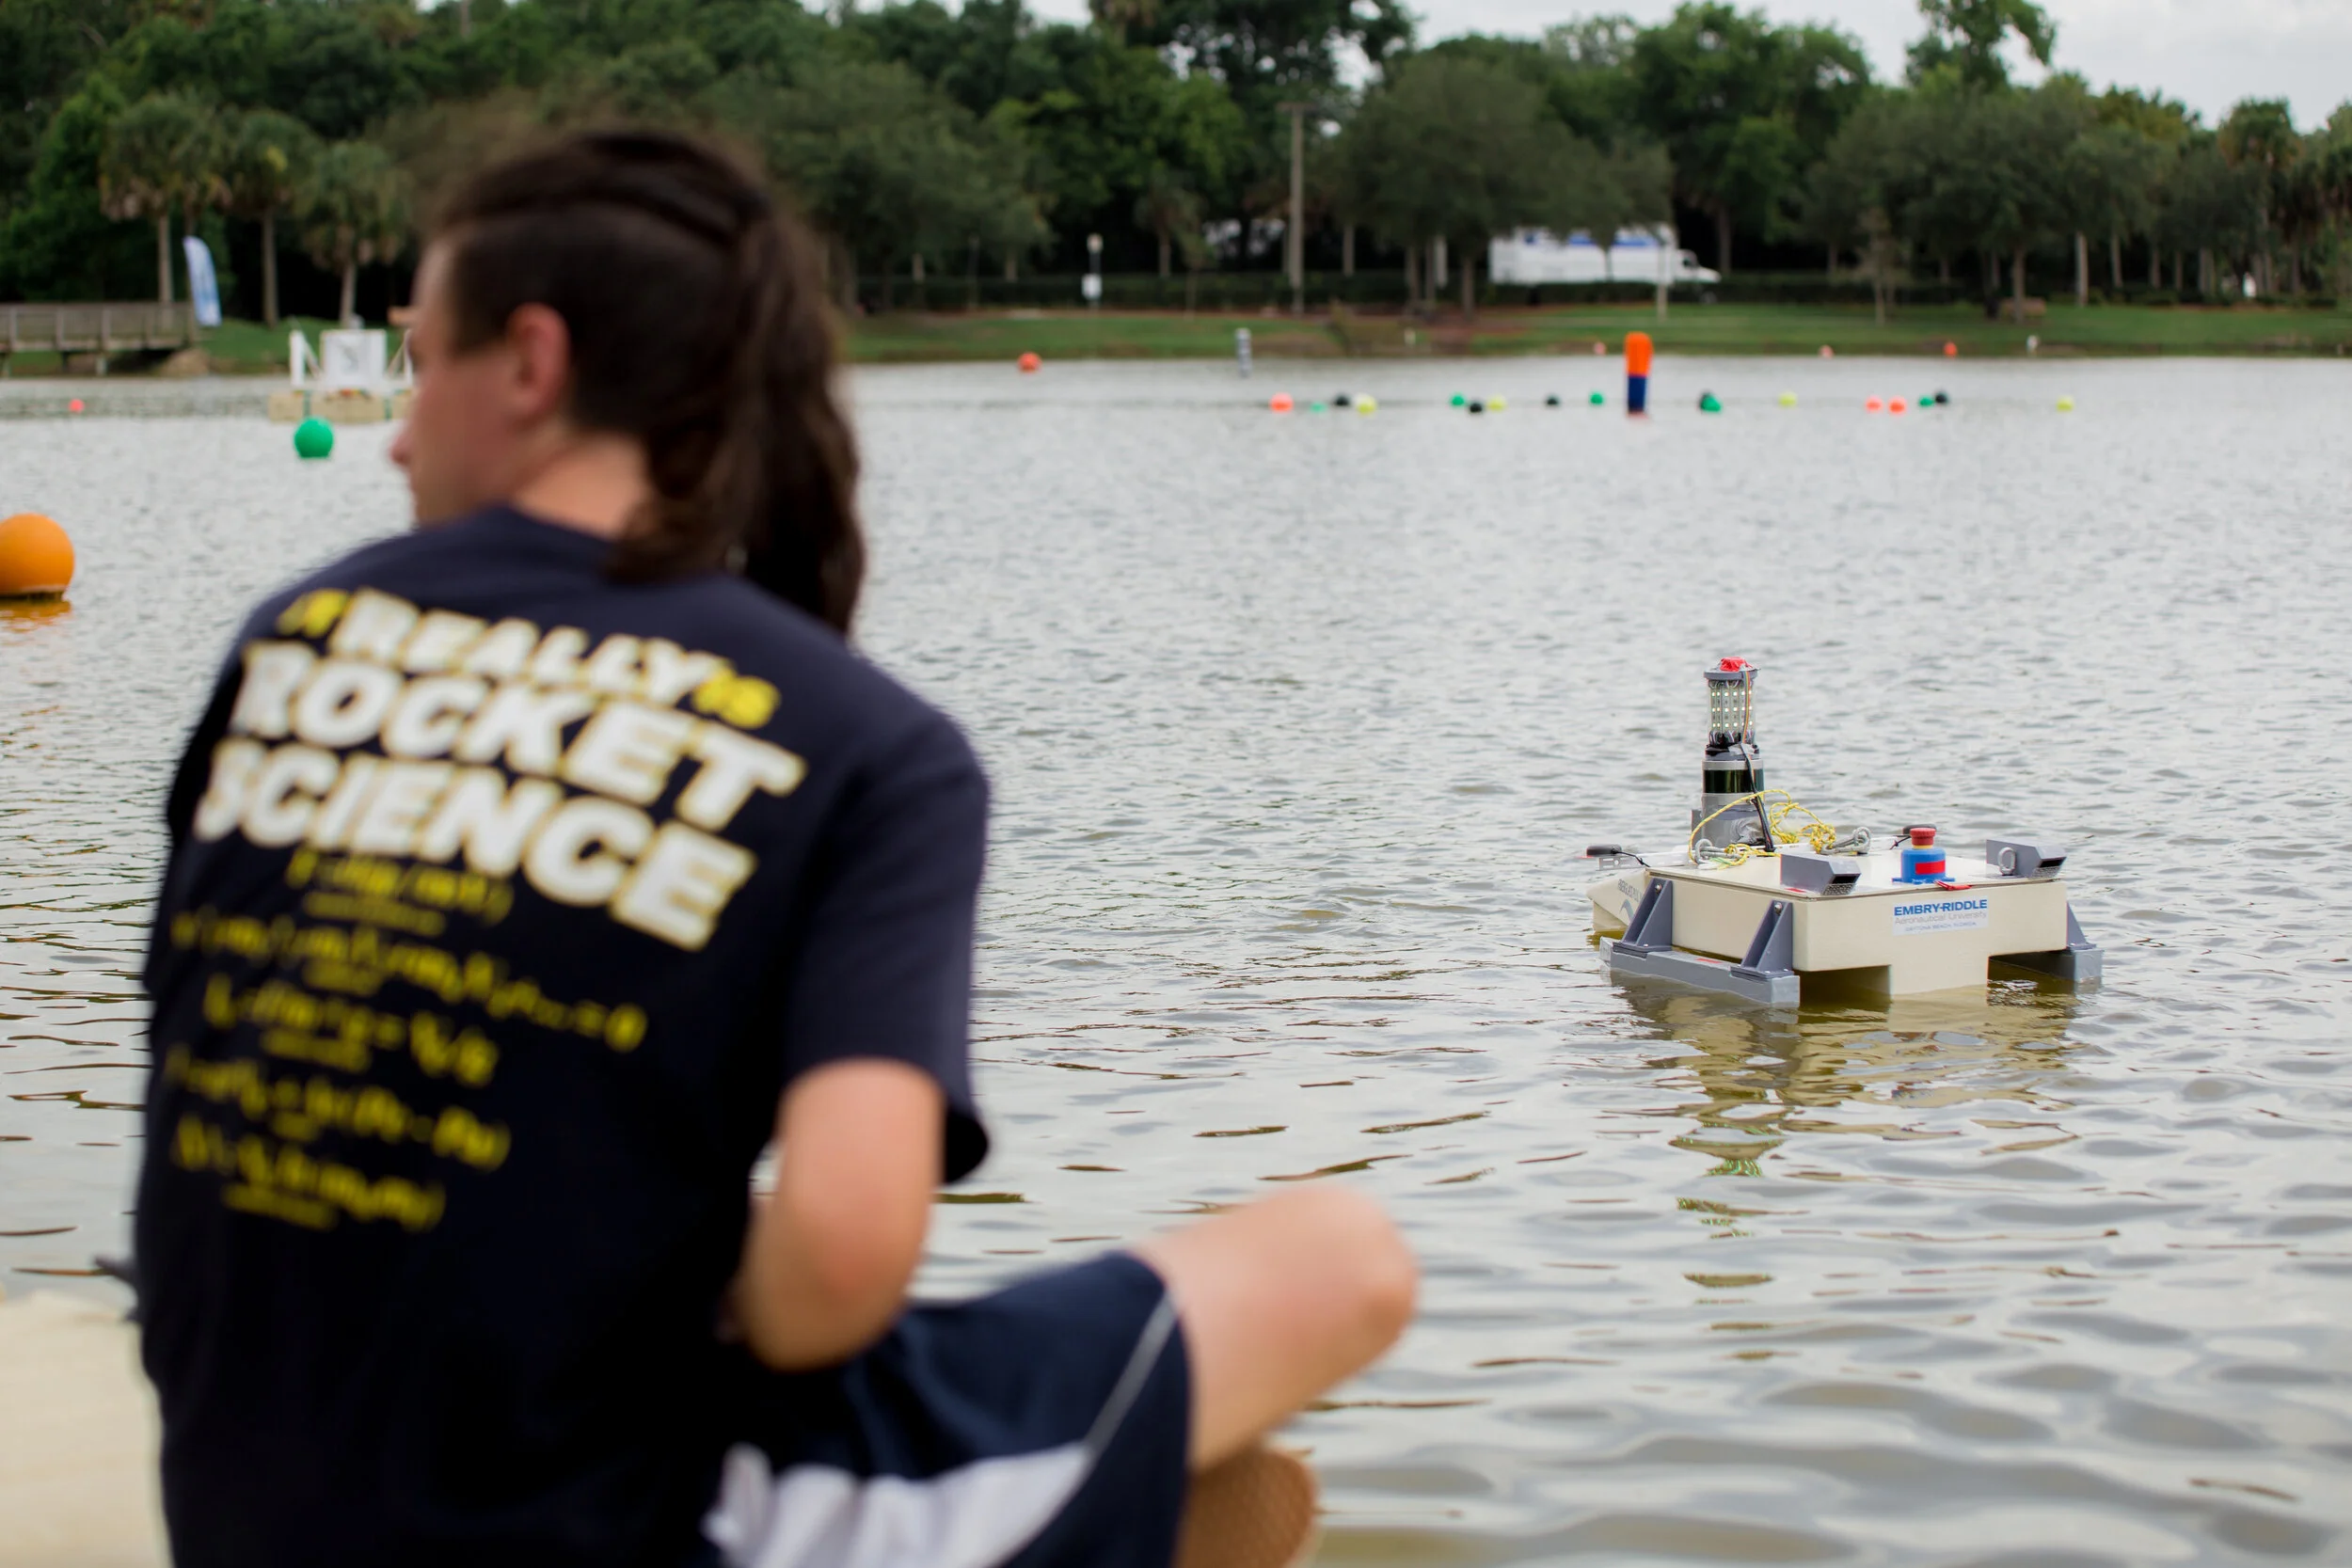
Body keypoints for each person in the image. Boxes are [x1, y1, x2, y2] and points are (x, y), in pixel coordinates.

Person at [136, 129, 1416, 1568]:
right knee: (1341, 1259)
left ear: (535, 364)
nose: (395, 425)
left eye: (419, 363)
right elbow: (842, 1267)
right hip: (593, 1519)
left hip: (242, 1503)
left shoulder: (297, 636)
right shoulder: (865, 739)